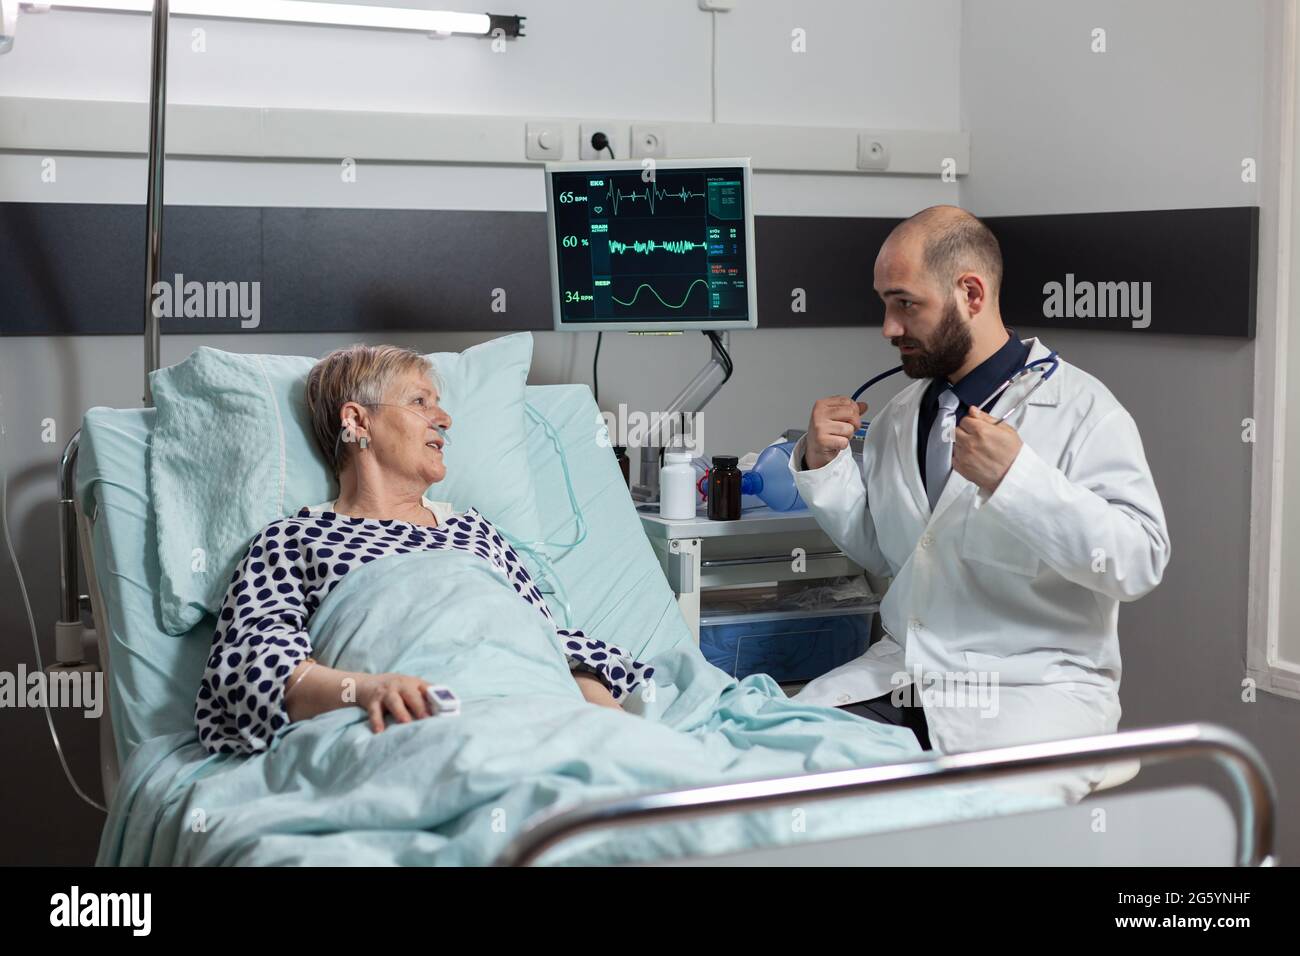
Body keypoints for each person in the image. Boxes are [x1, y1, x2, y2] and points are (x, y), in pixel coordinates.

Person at [788, 205, 1170, 799]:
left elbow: (1138, 562)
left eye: (904, 303)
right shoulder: (898, 416)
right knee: (777, 763)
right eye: (884, 304)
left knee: (963, 826)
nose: (888, 328)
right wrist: (823, 464)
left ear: (970, 292)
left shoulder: (1082, 411)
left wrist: (1018, 480)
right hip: (903, 674)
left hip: (1030, 694)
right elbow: (889, 551)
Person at [195, 344, 654, 755]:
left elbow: (552, 650)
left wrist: (612, 731)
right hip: (411, 729)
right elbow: (255, 672)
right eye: (419, 402)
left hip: (547, 715)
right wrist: (369, 691)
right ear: (357, 421)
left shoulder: (478, 533)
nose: (445, 419)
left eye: (440, 404)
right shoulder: (293, 541)